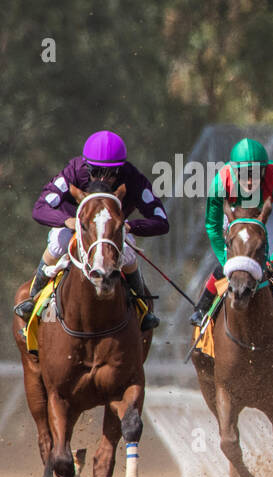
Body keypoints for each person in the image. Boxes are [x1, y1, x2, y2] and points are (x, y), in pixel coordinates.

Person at [14, 130, 166, 330]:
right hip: (75, 227)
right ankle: (33, 297)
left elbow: (161, 220)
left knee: (128, 253)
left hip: (111, 232)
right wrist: (66, 220)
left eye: (111, 174)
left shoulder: (133, 178)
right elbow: (40, 208)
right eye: (95, 171)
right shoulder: (74, 171)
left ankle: (142, 307)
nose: (102, 179)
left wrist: (129, 226)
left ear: (120, 169)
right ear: (86, 165)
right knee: (59, 243)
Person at [189, 138, 273, 329]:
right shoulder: (221, 181)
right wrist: (226, 260)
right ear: (235, 171)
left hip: (267, 214)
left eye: (256, 173)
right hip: (235, 215)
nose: (251, 180)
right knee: (234, 260)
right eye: (245, 174)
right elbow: (212, 226)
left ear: (265, 170)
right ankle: (202, 309)